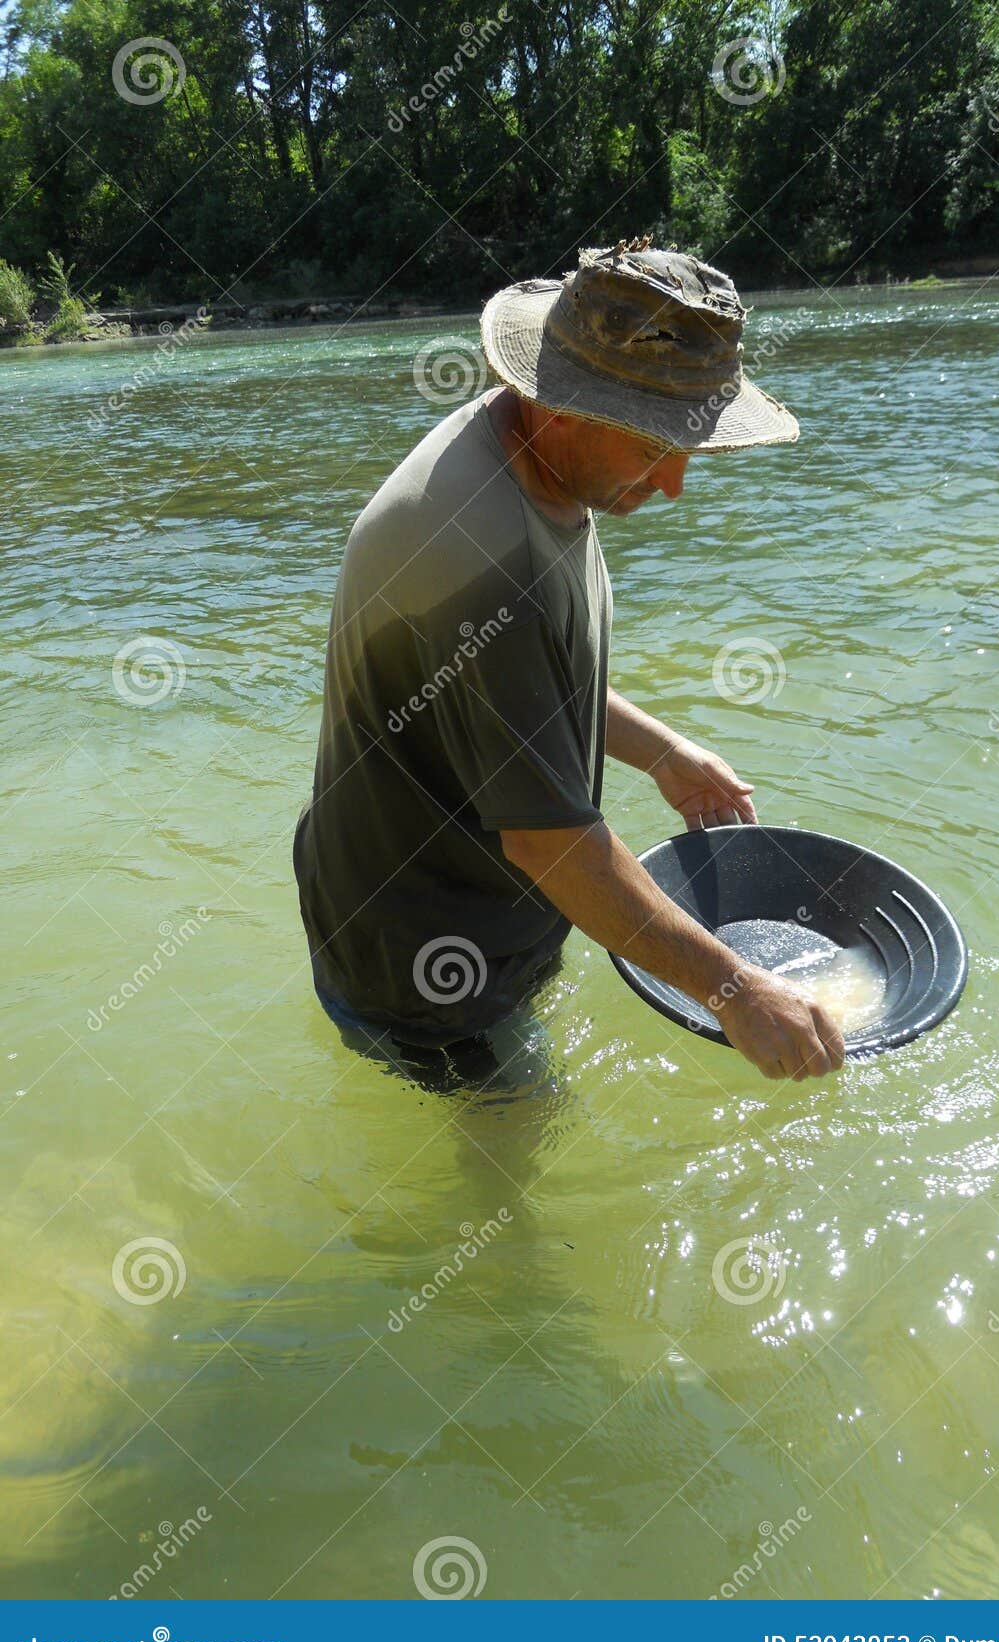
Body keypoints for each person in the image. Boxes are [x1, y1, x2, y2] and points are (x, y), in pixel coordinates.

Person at [293, 240, 845, 1084]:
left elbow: (529, 683)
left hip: (449, 898)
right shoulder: (480, 560)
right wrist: (736, 990)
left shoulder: (531, 458)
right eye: (657, 447)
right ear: (563, 406)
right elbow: (554, 848)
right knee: (508, 1178)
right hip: (425, 962)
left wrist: (661, 752)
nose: (673, 486)